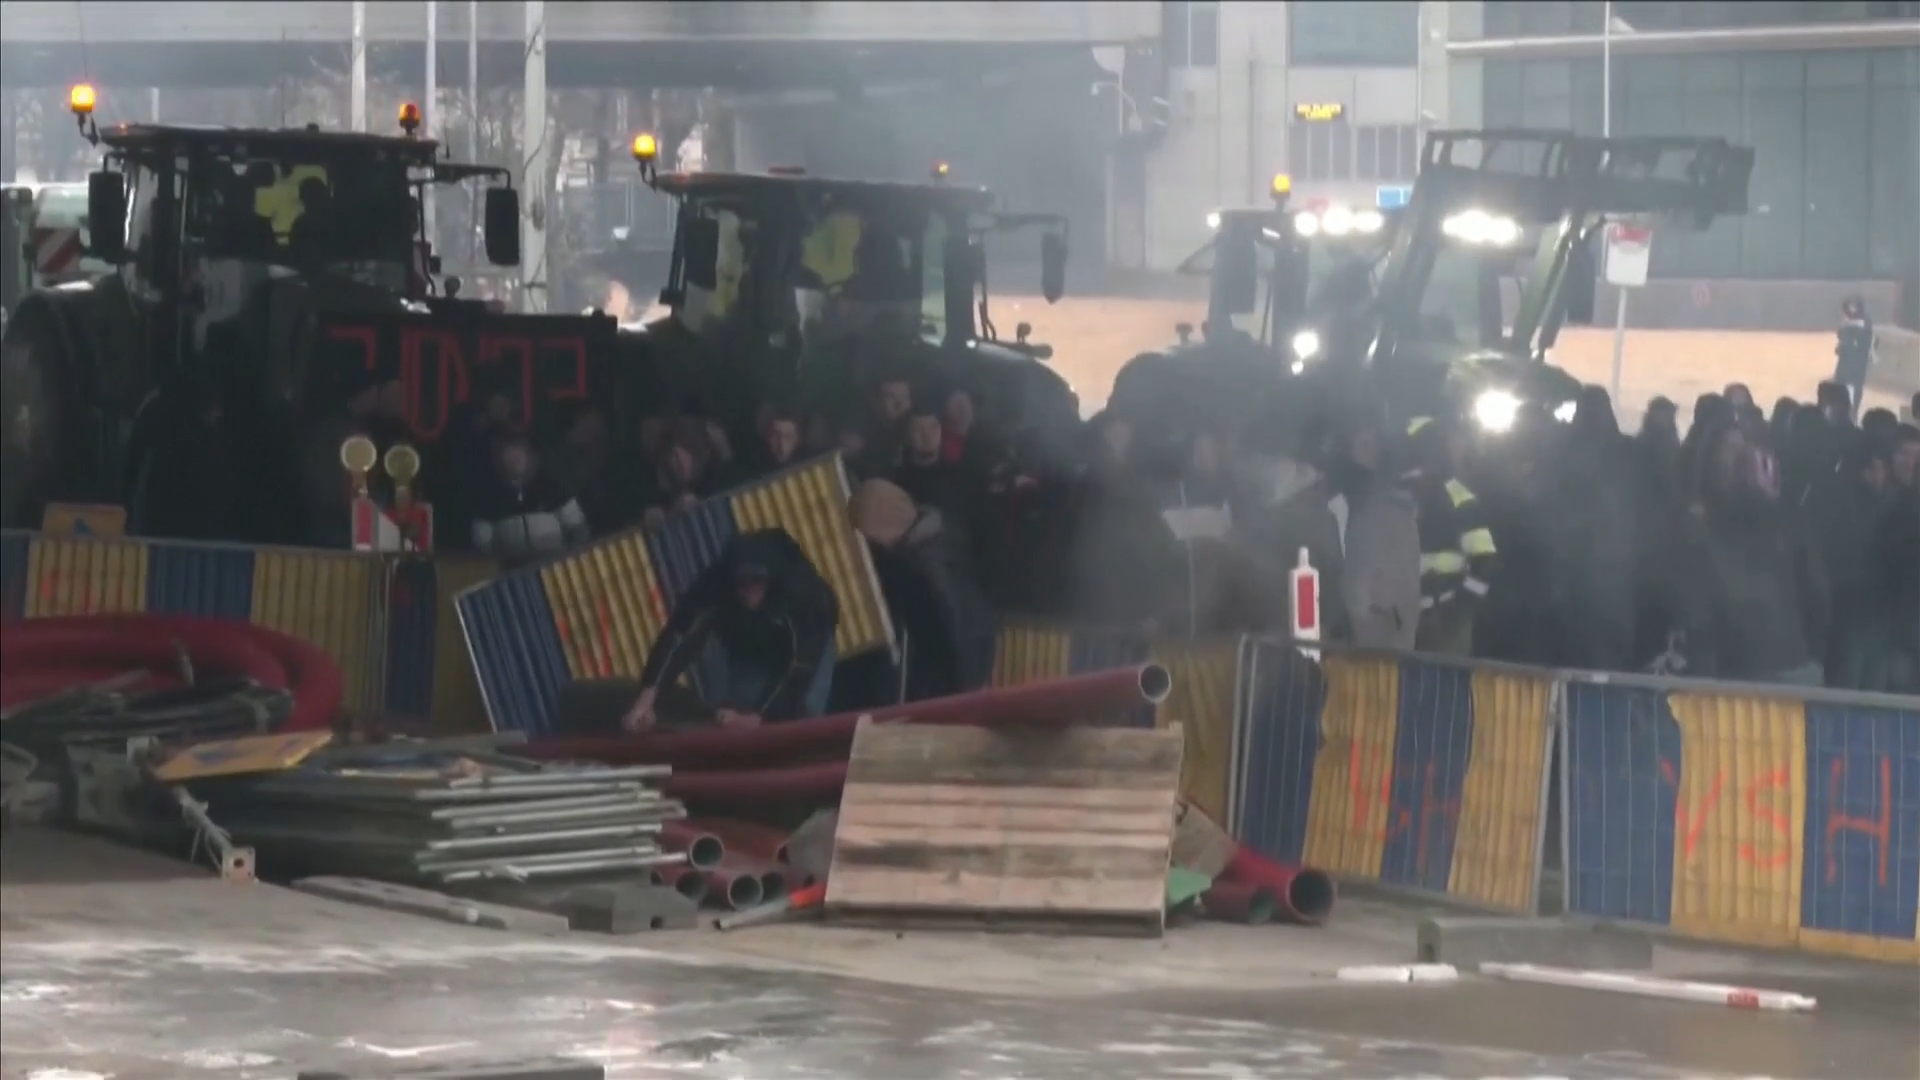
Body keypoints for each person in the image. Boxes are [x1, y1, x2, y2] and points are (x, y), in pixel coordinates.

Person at [622, 529, 840, 730]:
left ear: (770, 579)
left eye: (756, 581)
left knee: (803, 711)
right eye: (742, 582)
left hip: (805, 647)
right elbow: (680, 636)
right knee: (738, 709)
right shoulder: (715, 585)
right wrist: (647, 697)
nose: (748, 591)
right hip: (751, 645)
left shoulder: (802, 596)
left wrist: (759, 718)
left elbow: (800, 669)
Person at [1400, 416, 1497, 656]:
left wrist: (1459, 611)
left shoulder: (1458, 496)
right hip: (1403, 618)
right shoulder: (1396, 495)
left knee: (1443, 688)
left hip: (1441, 618)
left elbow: (1485, 561)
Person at [470, 432, 590, 568]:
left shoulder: (552, 488)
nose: (515, 457)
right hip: (513, 577)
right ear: (499, 459)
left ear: (529, 454)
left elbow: (578, 530)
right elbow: (483, 546)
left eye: (518, 450)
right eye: (508, 452)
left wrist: (568, 562)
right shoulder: (490, 499)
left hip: (555, 570)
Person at [1833, 295, 1874, 421]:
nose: (1852, 308)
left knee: (1857, 385)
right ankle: (1839, 408)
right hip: (1845, 356)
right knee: (1839, 382)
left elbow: (1868, 338)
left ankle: (1854, 409)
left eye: (1854, 305)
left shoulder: (1865, 320)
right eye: (1850, 305)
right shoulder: (1845, 319)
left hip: (1859, 358)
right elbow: (1840, 334)